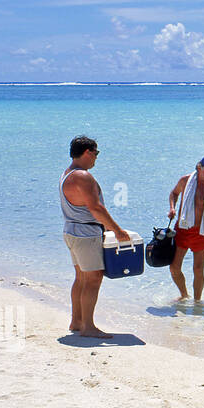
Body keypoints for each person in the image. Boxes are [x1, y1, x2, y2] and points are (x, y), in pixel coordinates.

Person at [59, 135, 130, 339]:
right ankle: (88, 327)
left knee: (81, 278)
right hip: (86, 234)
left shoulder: (67, 173)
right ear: (88, 152)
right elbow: (96, 208)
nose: (96, 158)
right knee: (93, 279)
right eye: (96, 153)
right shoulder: (83, 176)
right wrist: (117, 230)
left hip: (72, 231)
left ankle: (77, 321)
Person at [166, 155, 204, 303]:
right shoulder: (185, 181)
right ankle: (184, 295)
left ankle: (197, 302)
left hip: (202, 232)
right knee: (174, 268)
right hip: (182, 228)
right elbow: (174, 193)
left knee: (198, 270)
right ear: (200, 167)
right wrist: (172, 208)